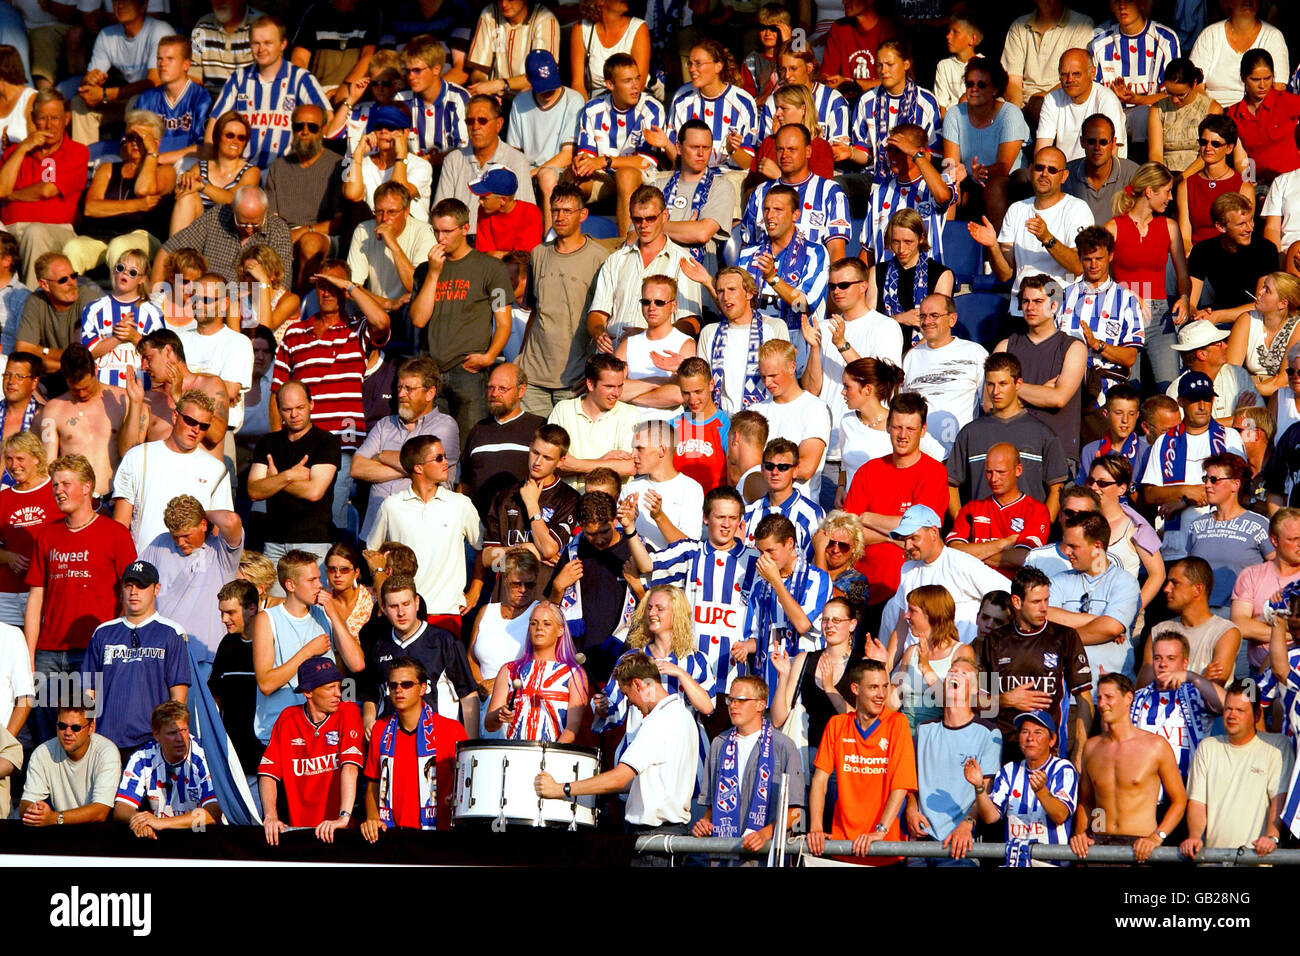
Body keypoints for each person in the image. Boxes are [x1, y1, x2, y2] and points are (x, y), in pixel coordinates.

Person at [24, 455, 137, 741]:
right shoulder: (47, 535)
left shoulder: (115, 534)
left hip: (93, 650)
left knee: (85, 730)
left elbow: (132, 595)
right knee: (48, 734)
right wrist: (29, 653)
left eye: (66, 484)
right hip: (49, 651)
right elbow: (36, 596)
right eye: (55, 485)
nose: (58, 490)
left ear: (87, 487)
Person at [535, 653, 697, 849]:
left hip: (655, 837)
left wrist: (561, 789)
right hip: (670, 834)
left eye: (627, 694)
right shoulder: (683, 715)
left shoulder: (659, 721)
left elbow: (619, 778)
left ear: (638, 684)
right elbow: (636, 781)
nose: (631, 703)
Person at [628, 485, 757, 710]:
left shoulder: (756, 560)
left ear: (740, 521)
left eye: (732, 518)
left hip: (735, 673)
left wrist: (750, 644)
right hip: (691, 672)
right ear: (706, 518)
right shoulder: (690, 552)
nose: (726, 524)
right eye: (720, 517)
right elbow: (647, 564)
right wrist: (629, 528)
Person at [410, 197, 513, 441]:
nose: (440, 238)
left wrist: (489, 356)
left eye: (447, 231)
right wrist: (434, 273)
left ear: (465, 228)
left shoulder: (490, 268)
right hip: (431, 370)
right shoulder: (425, 270)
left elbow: (504, 322)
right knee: (431, 446)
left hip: (468, 370)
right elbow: (418, 320)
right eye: (436, 231)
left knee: (471, 445)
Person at [973, 566, 1093, 764]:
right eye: (1036, 602)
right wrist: (1006, 699)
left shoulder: (1065, 637)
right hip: (1003, 750)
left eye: (1046, 600)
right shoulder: (995, 641)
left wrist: (1080, 750)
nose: (1044, 607)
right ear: (1017, 602)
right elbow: (981, 703)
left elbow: (1084, 698)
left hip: (1050, 750)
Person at [842, 392, 948, 613]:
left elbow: (920, 530)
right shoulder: (868, 471)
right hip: (864, 589)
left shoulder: (934, 473)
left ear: (923, 430)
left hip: (912, 592)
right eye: (898, 427)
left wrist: (867, 518)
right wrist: (894, 538)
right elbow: (847, 532)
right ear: (888, 426)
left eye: (911, 429)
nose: (903, 435)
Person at [807, 659, 916, 864]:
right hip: (843, 847)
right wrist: (816, 827)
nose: (881, 694)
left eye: (885, 686)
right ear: (855, 689)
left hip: (885, 849)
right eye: (874, 687)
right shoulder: (837, 725)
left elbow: (900, 786)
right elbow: (820, 780)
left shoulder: (897, 724)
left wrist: (880, 831)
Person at [1070, 673, 1187, 863]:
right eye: (1099, 698)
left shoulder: (1155, 746)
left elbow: (1179, 800)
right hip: (1098, 844)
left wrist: (1157, 836)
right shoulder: (1091, 748)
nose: (1101, 704)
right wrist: (1081, 834)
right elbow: (1086, 800)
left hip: (1139, 846)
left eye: (1109, 697)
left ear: (1128, 698)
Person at [250, 549, 364, 742]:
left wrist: (334, 614)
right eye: (312, 580)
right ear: (290, 585)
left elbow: (357, 664)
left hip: (324, 732)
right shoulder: (267, 619)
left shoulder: (325, 614)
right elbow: (266, 684)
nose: (320, 585)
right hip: (281, 732)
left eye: (319, 578)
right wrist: (308, 652)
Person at [367, 435, 483, 617]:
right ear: (418, 467)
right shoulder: (391, 506)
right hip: (404, 614)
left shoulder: (461, 504)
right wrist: (383, 583)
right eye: (439, 458)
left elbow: (483, 548)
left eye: (445, 456)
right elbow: (372, 552)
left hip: (447, 613)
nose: (446, 462)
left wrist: (475, 591)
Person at [80, 559, 189, 755]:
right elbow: (89, 689)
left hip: (153, 741)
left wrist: (172, 737)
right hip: (106, 741)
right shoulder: (103, 632)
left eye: (141, 586)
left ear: (156, 589)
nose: (133, 592)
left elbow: (178, 696)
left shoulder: (172, 632)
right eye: (129, 585)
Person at [518, 184, 608, 418]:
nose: (560, 217)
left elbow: (606, 319)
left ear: (583, 214)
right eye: (556, 210)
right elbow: (535, 312)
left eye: (568, 211)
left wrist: (592, 371)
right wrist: (520, 360)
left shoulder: (600, 257)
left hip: (574, 378)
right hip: (533, 376)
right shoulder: (538, 253)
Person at [970, 146, 1091, 313]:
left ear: (1064, 176)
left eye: (1052, 170)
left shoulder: (1077, 209)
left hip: (1062, 310)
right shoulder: (1016, 209)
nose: (1044, 173)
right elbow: (1005, 273)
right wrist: (992, 246)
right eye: (1039, 167)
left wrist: (1047, 238)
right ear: (1031, 170)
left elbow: (1078, 266)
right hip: (1022, 309)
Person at [948, 353, 1071, 516]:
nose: (995, 391)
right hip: (981, 536)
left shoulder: (1042, 433)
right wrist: (962, 525)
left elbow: (1057, 488)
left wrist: (1042, 528)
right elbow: (951, 484)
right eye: (990, 384)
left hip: (1028, 537)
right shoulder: (970, 433)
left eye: (1003, 384)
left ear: (1018, 383)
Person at [694, 672, 804, 853]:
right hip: (724, 854)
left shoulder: (784, 746)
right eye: (731, 700)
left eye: (741, 700)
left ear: (761, 705)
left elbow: (796, 812)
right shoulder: (718, 744)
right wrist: (705, 823)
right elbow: (711, 807)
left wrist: (764, 834)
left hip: (764, 855)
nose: (733, 706)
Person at [1143, 371, 1248, 559]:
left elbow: (1238, 486)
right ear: (1181, 402)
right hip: (1175, 548)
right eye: (1194, 400)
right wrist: (1185, 490)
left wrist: (1185, 501)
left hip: (1219, 543)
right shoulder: (1164, 442)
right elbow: (1150, 494)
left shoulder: (1229, 437)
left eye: (1207, 399)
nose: (1202, 406)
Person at [906, 657, 1001, 865]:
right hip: (921, 842)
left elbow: (983, 790)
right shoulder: (923, 730)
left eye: (963, 673)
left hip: (960, 845)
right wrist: (911, 810)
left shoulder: (989, 733)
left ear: (975, 690)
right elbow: (910, 783)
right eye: (952, 671)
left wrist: (967, 824)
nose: (955, 674)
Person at [258, 655, 363, 844]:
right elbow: (268, 773)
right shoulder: (288, 718)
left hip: (338, 831)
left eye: (339, 686)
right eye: (330, 688)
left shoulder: (349, 711)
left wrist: (344, 817)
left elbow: (350, 768)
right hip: (299, 832)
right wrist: (270, 816)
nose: (338, 693)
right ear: (307, 692)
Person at [361, 655, 467, 837]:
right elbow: (374, 783)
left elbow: (467, 783)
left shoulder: (452, 729)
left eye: (406, 684)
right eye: (393, 686)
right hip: (392, 835)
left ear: (423, 688)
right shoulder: (380, 728)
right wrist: (372, 818)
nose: (398, 690)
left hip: (440, 838)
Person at [1181, 679, 1289, 858]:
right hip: (1212, 859)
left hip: (1257, 858)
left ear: (1257, 715)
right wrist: (1194, 836)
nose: (1232, 715)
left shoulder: (1277, 746)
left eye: (1240, 710)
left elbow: (1279, 798)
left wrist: (1272, 837)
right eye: (1228, 709)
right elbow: (1197, 802)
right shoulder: (1207, 747)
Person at [112, 389, 232, 548]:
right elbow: (120, 524)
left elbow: (220, 530)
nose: (196, 429)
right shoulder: (138, 456)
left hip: (193, 568)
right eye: (190, 421)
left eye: (203, 426)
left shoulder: (216, 470)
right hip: (144, 563)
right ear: (175, 416)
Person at [208, 15, 331, 169]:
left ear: (283, 44)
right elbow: (214, 124)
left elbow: (327, 119)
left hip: (287, 170)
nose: (261, 50)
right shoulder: (239, 78)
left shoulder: (300, 79)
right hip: (242, 170)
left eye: (268, 43)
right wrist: (211, 167)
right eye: (256, 44)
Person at [882, 504, 1010, 651]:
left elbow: (1012, 596)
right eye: (904, 539)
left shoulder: (961, 563)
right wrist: (888, 668)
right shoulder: (907, 569)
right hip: (915, 665)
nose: (907, 546)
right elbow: (901, 627)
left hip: (958, 667)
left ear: (933, 533)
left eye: (913, 538)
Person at [588, 185, 704, 347]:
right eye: (637, 219)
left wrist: (646, 336)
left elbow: (691, 322)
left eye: (650, 218)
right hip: (612, 359)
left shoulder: (683, 261)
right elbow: (598, 313)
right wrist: (599, 333)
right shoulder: (615, 260)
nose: (643, 225)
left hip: (656, 361)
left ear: (664, 216)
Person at [139, 495, 243, 668]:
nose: (180, 542)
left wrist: (203, 513)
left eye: (186, 535)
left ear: (203, 525)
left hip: (206, 657)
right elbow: (135, 585)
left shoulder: (221, 551)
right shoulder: (160, 542)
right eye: (175, 536)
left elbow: (231, 520)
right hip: (160, 653)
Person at [365, 573, 478, 731]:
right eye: (393, 606)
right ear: (383, 608)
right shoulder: (378, 646)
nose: (401, 612)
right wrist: (369, 719)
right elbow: (372, 695)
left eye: (406, 604)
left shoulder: (444, 641)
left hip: (438, 742)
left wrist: (469, 745)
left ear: (417, 603)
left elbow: (468, 696)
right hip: (392, 742)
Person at [65, 112, 175, 275]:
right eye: (131, 136)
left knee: (120, 246)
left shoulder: (166, 171)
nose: (135, 142)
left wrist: (152, 153)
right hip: (102, 236)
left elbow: (144, 189)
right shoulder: (107, 168)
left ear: (156, 143)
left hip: (143, 235)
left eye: (142, 138)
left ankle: (122, 299)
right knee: (72, 248)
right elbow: (91, 207)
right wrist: (138, 204)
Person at [0, 92, 90, 287]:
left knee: (35, 232)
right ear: (33, 120)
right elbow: (1, 190)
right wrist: (23, 148)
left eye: (55, 118)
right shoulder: (14, 152)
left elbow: (47, 190)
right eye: (43, 118)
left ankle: (34, 305)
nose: (49, 125)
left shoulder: (77, 151)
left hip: (55, 231)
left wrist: (12, 196)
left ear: (66, 119)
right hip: (10, 230)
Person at [997, 274, 1088, 466]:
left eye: (1038, 301)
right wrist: (1041, 392)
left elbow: (1058, 398)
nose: (1030, 308)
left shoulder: (1073, 347)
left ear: (1054, 306)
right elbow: (991, 405)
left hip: (1057, 453)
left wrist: (1010, 390)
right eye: (1026, 301)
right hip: (1010, 453)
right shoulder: (1005, 347)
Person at [967, 709, 1079, 865]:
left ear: (1052, 740)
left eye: (1038, 732)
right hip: (1015, 862)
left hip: (1050, 863)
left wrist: (1041, 791)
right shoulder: (1009, 770)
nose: (1030, 738)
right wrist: (979, 787)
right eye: (1025, 732)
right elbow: (990, 816)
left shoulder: (1063, 769)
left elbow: (1060, 815)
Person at [571, 53, 665, 238]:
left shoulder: (652, 108)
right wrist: (581, 162)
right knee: (571, 178)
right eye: (628, 81)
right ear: (610, 84)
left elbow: (646, 162)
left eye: (637, 78)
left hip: (639, 177)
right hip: (604, 175)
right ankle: (566, 245)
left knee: (625, 175)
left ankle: (625, 246)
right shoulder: (592, 109)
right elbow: (588, 156)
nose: (636, 86)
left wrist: (605, 161)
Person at [548, 491, 636, 684]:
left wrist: (637, 587)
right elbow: (550, 610)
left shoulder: (636, 549)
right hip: (579, 658)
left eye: (604, 531)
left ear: (615, 521)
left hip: (624, 656)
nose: (599, 539)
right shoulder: (573, 551)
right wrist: (557, 586)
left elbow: (658, 604)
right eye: (591, 534)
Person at [482, 423, 579, 599]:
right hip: (503, 598)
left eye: (547, 458)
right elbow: (488, 559)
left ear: (561, 460)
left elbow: (549, 550)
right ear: (529, 447)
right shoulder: (504, 497)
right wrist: (526, 548)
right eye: (535, 453)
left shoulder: (569, 498)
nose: (537, 462)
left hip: (544, 600)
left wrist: (531, 504)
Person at [248, 381, 339, 566]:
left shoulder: (326, 441)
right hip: (274, 543)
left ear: (311, 404)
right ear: (279, 410)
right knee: (273, 597)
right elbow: (254, 491)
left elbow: (314, 492)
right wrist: (288, 476)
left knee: (313, 596)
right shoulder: (267, 442)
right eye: (287, 409)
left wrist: (273, 481)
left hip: (314, 542)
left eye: (300, 407)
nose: (294, 414)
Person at [38, 346, 142, 501]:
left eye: (86, 387)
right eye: (75, 389)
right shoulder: (53, 409)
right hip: (74, 500)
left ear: (95, 369)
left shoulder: (123, 400)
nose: (82, 394)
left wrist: (136, 403)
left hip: (115, 498)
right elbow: (49, 466)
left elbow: (134, 453)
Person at [1048, 510, 1141, 681]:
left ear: (1097, 547)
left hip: (1109, 694)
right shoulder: (1058, 581)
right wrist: (1097, 620)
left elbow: (1111, 628)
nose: (1067, 551)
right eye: (1066, 544)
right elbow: (1045, 617)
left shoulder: (1124, 582)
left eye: (1074, 546)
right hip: (1067, 696)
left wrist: (1060, 638)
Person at [1058, 231, 1145, 413]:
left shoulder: (1127, 300)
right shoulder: (1062, 296)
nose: (1094, 265)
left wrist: (1097, 345)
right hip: (1064, 388)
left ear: (1111, 256)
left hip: (1107, 394)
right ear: (1080, 258)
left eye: (1099, 258)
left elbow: (1130, 357)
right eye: (1088, 259)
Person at [113, 700, 223, 837]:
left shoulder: (203, 755)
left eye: (184, 730)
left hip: (201, 834)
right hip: (161, 836)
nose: (180, 738)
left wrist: (161, 822)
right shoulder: (142, 758)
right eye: (172, 733)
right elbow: (121, 808)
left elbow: (213, 813)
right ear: (156, 735)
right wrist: (140, 821)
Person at [940, 57, 1028, 229]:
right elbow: (950, 161)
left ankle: (998, 251)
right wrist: (955, 172)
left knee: (994, 185)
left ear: (995, 89)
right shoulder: (954, 114)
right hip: (968, 178)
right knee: (947, 183)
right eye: (969, 84)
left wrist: (978, 171)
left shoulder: (1010, 114)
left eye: (981, 85)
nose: (973, 90)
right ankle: (946, 247)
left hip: (1007, 180)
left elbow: (1003, 167)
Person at [484, 600, 588, 741]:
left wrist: (549, 755)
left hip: (554, 756)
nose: (539, 628)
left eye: (546, 624)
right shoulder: (509, 670)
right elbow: (489, 725)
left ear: (560, 630)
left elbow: (572, 729)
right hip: (514, 755)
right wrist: (499, 715)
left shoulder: (574, 673)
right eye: (534, 623)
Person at [1132, 631, 1225, 782]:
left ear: (1185, 663)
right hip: (1145, 791)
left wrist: (1191, 676)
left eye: (1171, 658)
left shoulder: (1196, 694)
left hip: (1188, 787)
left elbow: (1228, 706)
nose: (1163, 664)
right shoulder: (1137, 699)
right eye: (1157, 658)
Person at [1086, 0, 1181, 149]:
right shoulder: (1099, 43)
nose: (1123, 6)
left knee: (1143, 116)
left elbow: (1174, 95)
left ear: (1142, 3)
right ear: (1111, 5)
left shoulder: (1166, 39)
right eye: (1117, 1)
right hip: (1111, 114)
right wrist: (1111, 96)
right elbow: (1092, 95)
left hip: (1150, 115)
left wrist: (1138, 99)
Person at [946, 443, 1052, 576]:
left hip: (1012, 589)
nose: (994, 479)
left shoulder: (1036, 510)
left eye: (1001, 472)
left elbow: (1022, 558)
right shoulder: (971, 509)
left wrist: (973, 553)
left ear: (1018, 470)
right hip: (972, 588)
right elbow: (953, 552)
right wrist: (1003, 543)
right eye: (989, 472)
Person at [156, 186, 293, 288]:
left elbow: (283, 284)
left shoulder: (278, 231)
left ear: (265, 211)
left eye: (256, 224)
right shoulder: (216, 217)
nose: (249, 229)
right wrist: (154, 300)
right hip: (206, 298)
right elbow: (168, 251)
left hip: (250, 304)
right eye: (243, 224)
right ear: (233, 210)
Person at [901, 295, 986, 458]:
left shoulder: (975, 353)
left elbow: (989, 405)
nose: (926, 322)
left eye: (934, 316)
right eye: (923, 316)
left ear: (952, 319)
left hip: (958, 455)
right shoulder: (911, 357)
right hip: (919, 455)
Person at [432, 94, 532, 229]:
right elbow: (440, 212)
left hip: (499, 242)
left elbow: (526, 215)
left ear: (499, 124)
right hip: (460, 242)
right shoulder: (453, 160)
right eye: (470, 121)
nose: (475, 127)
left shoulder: (516, 160)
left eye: (482, 121)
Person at [1186, 452, 1271, 611]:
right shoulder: (1197, 525)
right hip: (1199, 614)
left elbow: (1277, 569)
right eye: (1206, 479)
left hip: (1239, 613)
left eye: (1214, 480)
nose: (1207, 485)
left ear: (1235, 484)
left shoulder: (1259, 524)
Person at [18, 698, 121, 827]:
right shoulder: (43, 753)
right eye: (62, 726)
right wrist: (34, 811)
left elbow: (100, 812)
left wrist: (55, 818)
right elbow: (25, 804)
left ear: (91, 727)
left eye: (76, 728)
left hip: (99, 835)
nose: (67, 733)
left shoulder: (107, 752)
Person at [1086, 453, 1164, 616]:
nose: (1094, 487)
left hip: (1118, 619)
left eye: (1102, 483)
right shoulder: (1080, 519)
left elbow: (1158, 574)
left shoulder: (1137, 526)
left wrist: (1132, 610)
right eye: (1091, 481)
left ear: (1122, 488)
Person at [891, 584, 976, 732]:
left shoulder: (962, 652)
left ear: (932, 614)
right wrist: (878, 667)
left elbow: (956, 704)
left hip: (938, 739)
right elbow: (892, 704)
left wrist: (925, 668)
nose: (906, 616)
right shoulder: (911, 652)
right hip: (905, 738)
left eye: (913, 611)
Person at [547, 354, 640, 489]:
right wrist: (603, 462)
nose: (616, 393)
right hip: (568, 503)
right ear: (590, 384)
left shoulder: (630, 413)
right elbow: (553, 463)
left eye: (620, 386)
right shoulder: (563, 409)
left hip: (611, 503)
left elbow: (629, 467)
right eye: (609, 386)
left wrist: (575, 464)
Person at [1188, 192, 1279, 326]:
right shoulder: (1203, 250)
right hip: (1217, 318)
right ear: (1221, 227)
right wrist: (1195, 313)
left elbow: (1261, 304)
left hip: (1256, 320)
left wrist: (1218, 316)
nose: (1250, 228)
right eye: (1241, 224)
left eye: (1251, 220)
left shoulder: (1265, 249)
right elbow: (1190, 302)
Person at [1231, 508, 1300, 679]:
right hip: (1257, 673)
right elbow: (1240, 625)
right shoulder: (1251, 575)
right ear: (1274, 540)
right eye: (1293, 539)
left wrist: (1260, 623)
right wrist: (1291, 633)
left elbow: (1249, 624)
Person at [1146, 557, 1240, 682]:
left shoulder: (1226, 632)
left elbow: (1215, 686)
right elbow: (1144, 687)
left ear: (1198, 589)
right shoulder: (1158, 631)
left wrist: (1168, 681)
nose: (1166, 589)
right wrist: (1200, 679)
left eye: (1175, 583)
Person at [999, 0, 1096, 120]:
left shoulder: (1082, 24)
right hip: (1021, 105)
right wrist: (1015, 114)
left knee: (1040, 105)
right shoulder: (1019, 26)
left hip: (1059, 102)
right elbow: (1012, 81)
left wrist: (1038, 103)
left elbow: (1074, 79)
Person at [168, 112, 261, 237]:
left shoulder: (251, 171)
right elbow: (180, 195)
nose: (235, 141)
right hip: (198, 229)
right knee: (187, 196)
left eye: (241, 137)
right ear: (217, 137)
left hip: (227, 233)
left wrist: (203, 187)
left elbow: (233, 199)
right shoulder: (201, 167)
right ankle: (176, 253)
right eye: (230, 135)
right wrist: (185, 182)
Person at [0, 431, 57, 629]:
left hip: (46, 590)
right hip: (7, 593)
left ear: (36, 458)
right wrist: (8, 557)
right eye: (9, 459)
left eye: (20, 459)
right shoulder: (4, 498)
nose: (14, 466)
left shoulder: (57, 489)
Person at [208, 579, 264, 777]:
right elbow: (216, 696)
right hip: (232, 757)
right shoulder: (227, 644)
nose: (224, 619)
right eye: (222, 612)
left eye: (230, 612)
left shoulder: (272, 642)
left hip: (265, 757)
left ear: (251, 608)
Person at [1225, 49, 1300, 191]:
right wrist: (1248, 181)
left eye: (1267, 78)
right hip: (1260, 184)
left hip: (1292, 183)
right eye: (1255, 79)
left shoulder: (1285, 101)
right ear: (1243, 78)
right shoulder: (1234, 114)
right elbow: (1241, 159)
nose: (1262, 85)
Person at [1035, 49, 1127, 163]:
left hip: (1097, 172)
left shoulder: (1107, 100)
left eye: (1076, 74)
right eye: (1064, 74)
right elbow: (1042, 150)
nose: (1070, 79)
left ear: (1092, 73)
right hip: (1063, 172)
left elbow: (1110, 155)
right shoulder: (1052, 99)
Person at [1190, 0, 1288, 107]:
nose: (1248, 1)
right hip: (1211, 113)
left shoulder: (1273, 36)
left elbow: (1279, 89)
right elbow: (1195, 86)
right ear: (1228, 2)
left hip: (1255, 114)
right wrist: (1215, 111)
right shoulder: (1210, 35)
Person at [133, 37, 213, 165]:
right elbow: (127, 141)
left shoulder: (201, 98)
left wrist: (156, 159)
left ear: (186, 65)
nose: (162, 64)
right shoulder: (146, 98)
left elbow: (203, 148)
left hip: (185, 166)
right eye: (159, 59)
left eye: (170, 59)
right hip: (148, 165)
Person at [396, 33, 472, 166]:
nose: (411, 77)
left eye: (417, 70)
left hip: (450, 171)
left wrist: (430, 161)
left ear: (436, 69)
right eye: (407, 71)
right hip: (411, 173)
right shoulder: (401, 99)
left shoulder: (459, 98)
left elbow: (464, 149)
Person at [1178, 114, 1250, 250]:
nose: (1208, 148)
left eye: (1215, 144)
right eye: (1204, 142)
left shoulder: (1242, 187)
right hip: (1197, 255)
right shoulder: (1186, 185)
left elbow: (1243, 233)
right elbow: (1185, 236)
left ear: (1229, 148)